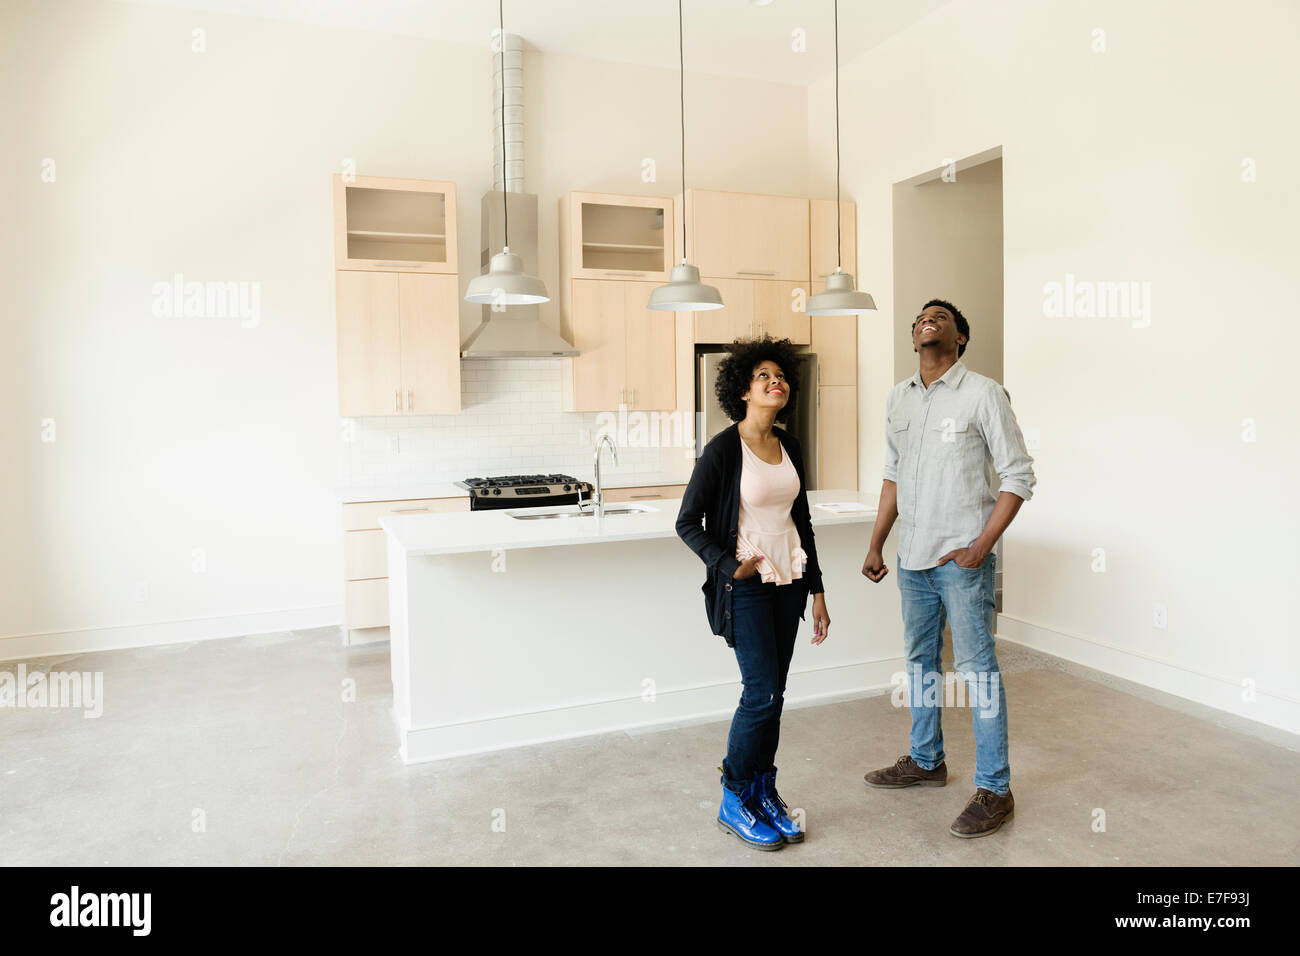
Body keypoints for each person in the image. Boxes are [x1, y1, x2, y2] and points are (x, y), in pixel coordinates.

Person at [861, 299, 1036, 838]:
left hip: (961, 559)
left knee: (978, 672)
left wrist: (981, 546)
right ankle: (926, 760)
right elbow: (893, 476)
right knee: (920, 663)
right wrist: (876, 544)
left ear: (961, 336)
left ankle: (995, 789)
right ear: (913, 337)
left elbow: (1018, 476)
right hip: (911, 558)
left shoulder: (984, 394)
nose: (927, 320)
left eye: (941, 316)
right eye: (920, 317)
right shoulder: (899, 398)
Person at [676, 336, 831, 851]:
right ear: (743, 390)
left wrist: (818, 591)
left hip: (789, 583)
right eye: (762, 376)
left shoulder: (790, 445)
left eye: (780, 375)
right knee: (759, 693)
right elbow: (687, 523)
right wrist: (728, 566)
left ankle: (763, 789)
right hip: (747, 588)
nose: (774, 382)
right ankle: (733, 795)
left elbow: (800, 520)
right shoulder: (723, 450)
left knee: (774, 696)